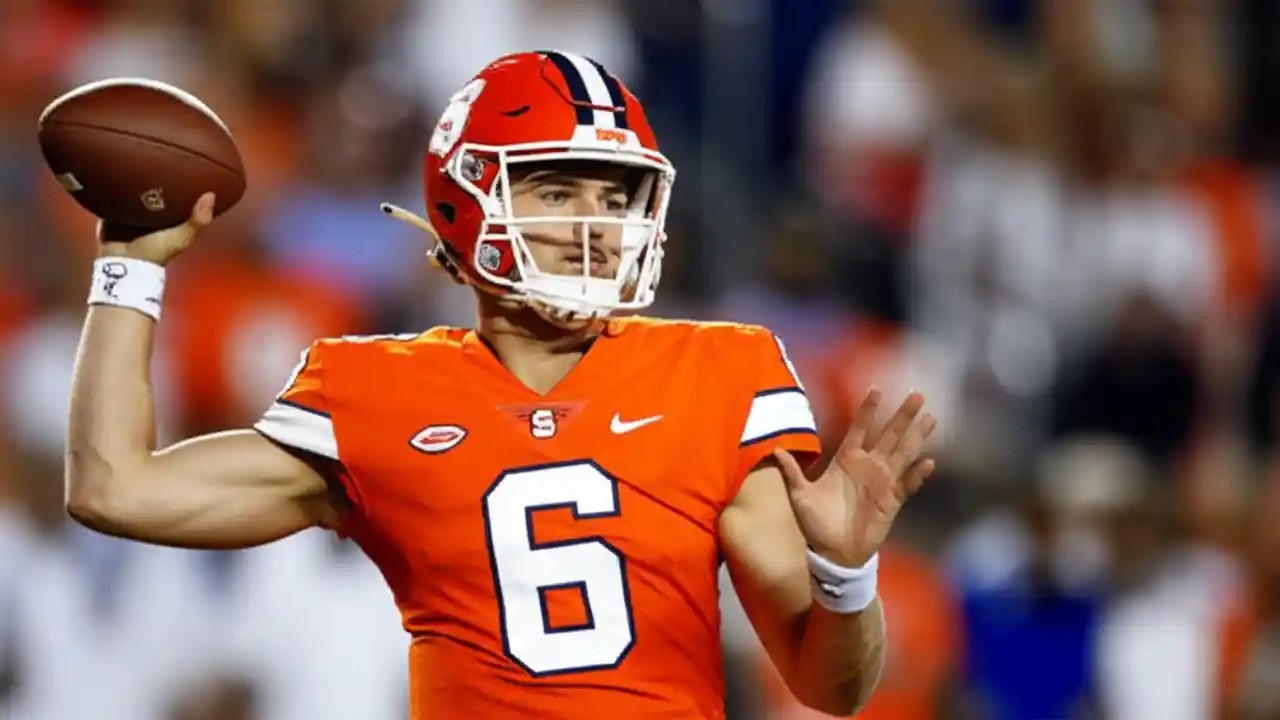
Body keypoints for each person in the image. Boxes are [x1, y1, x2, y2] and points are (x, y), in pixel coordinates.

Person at [64, 50, 937, 719]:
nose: (593, 223)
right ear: (465, 202)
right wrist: (128, 268)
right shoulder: (374, 389)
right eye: (557, 191)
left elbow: (834, 692)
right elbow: (115, 487)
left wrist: (845, 575)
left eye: (615, 193)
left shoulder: (721, 372)